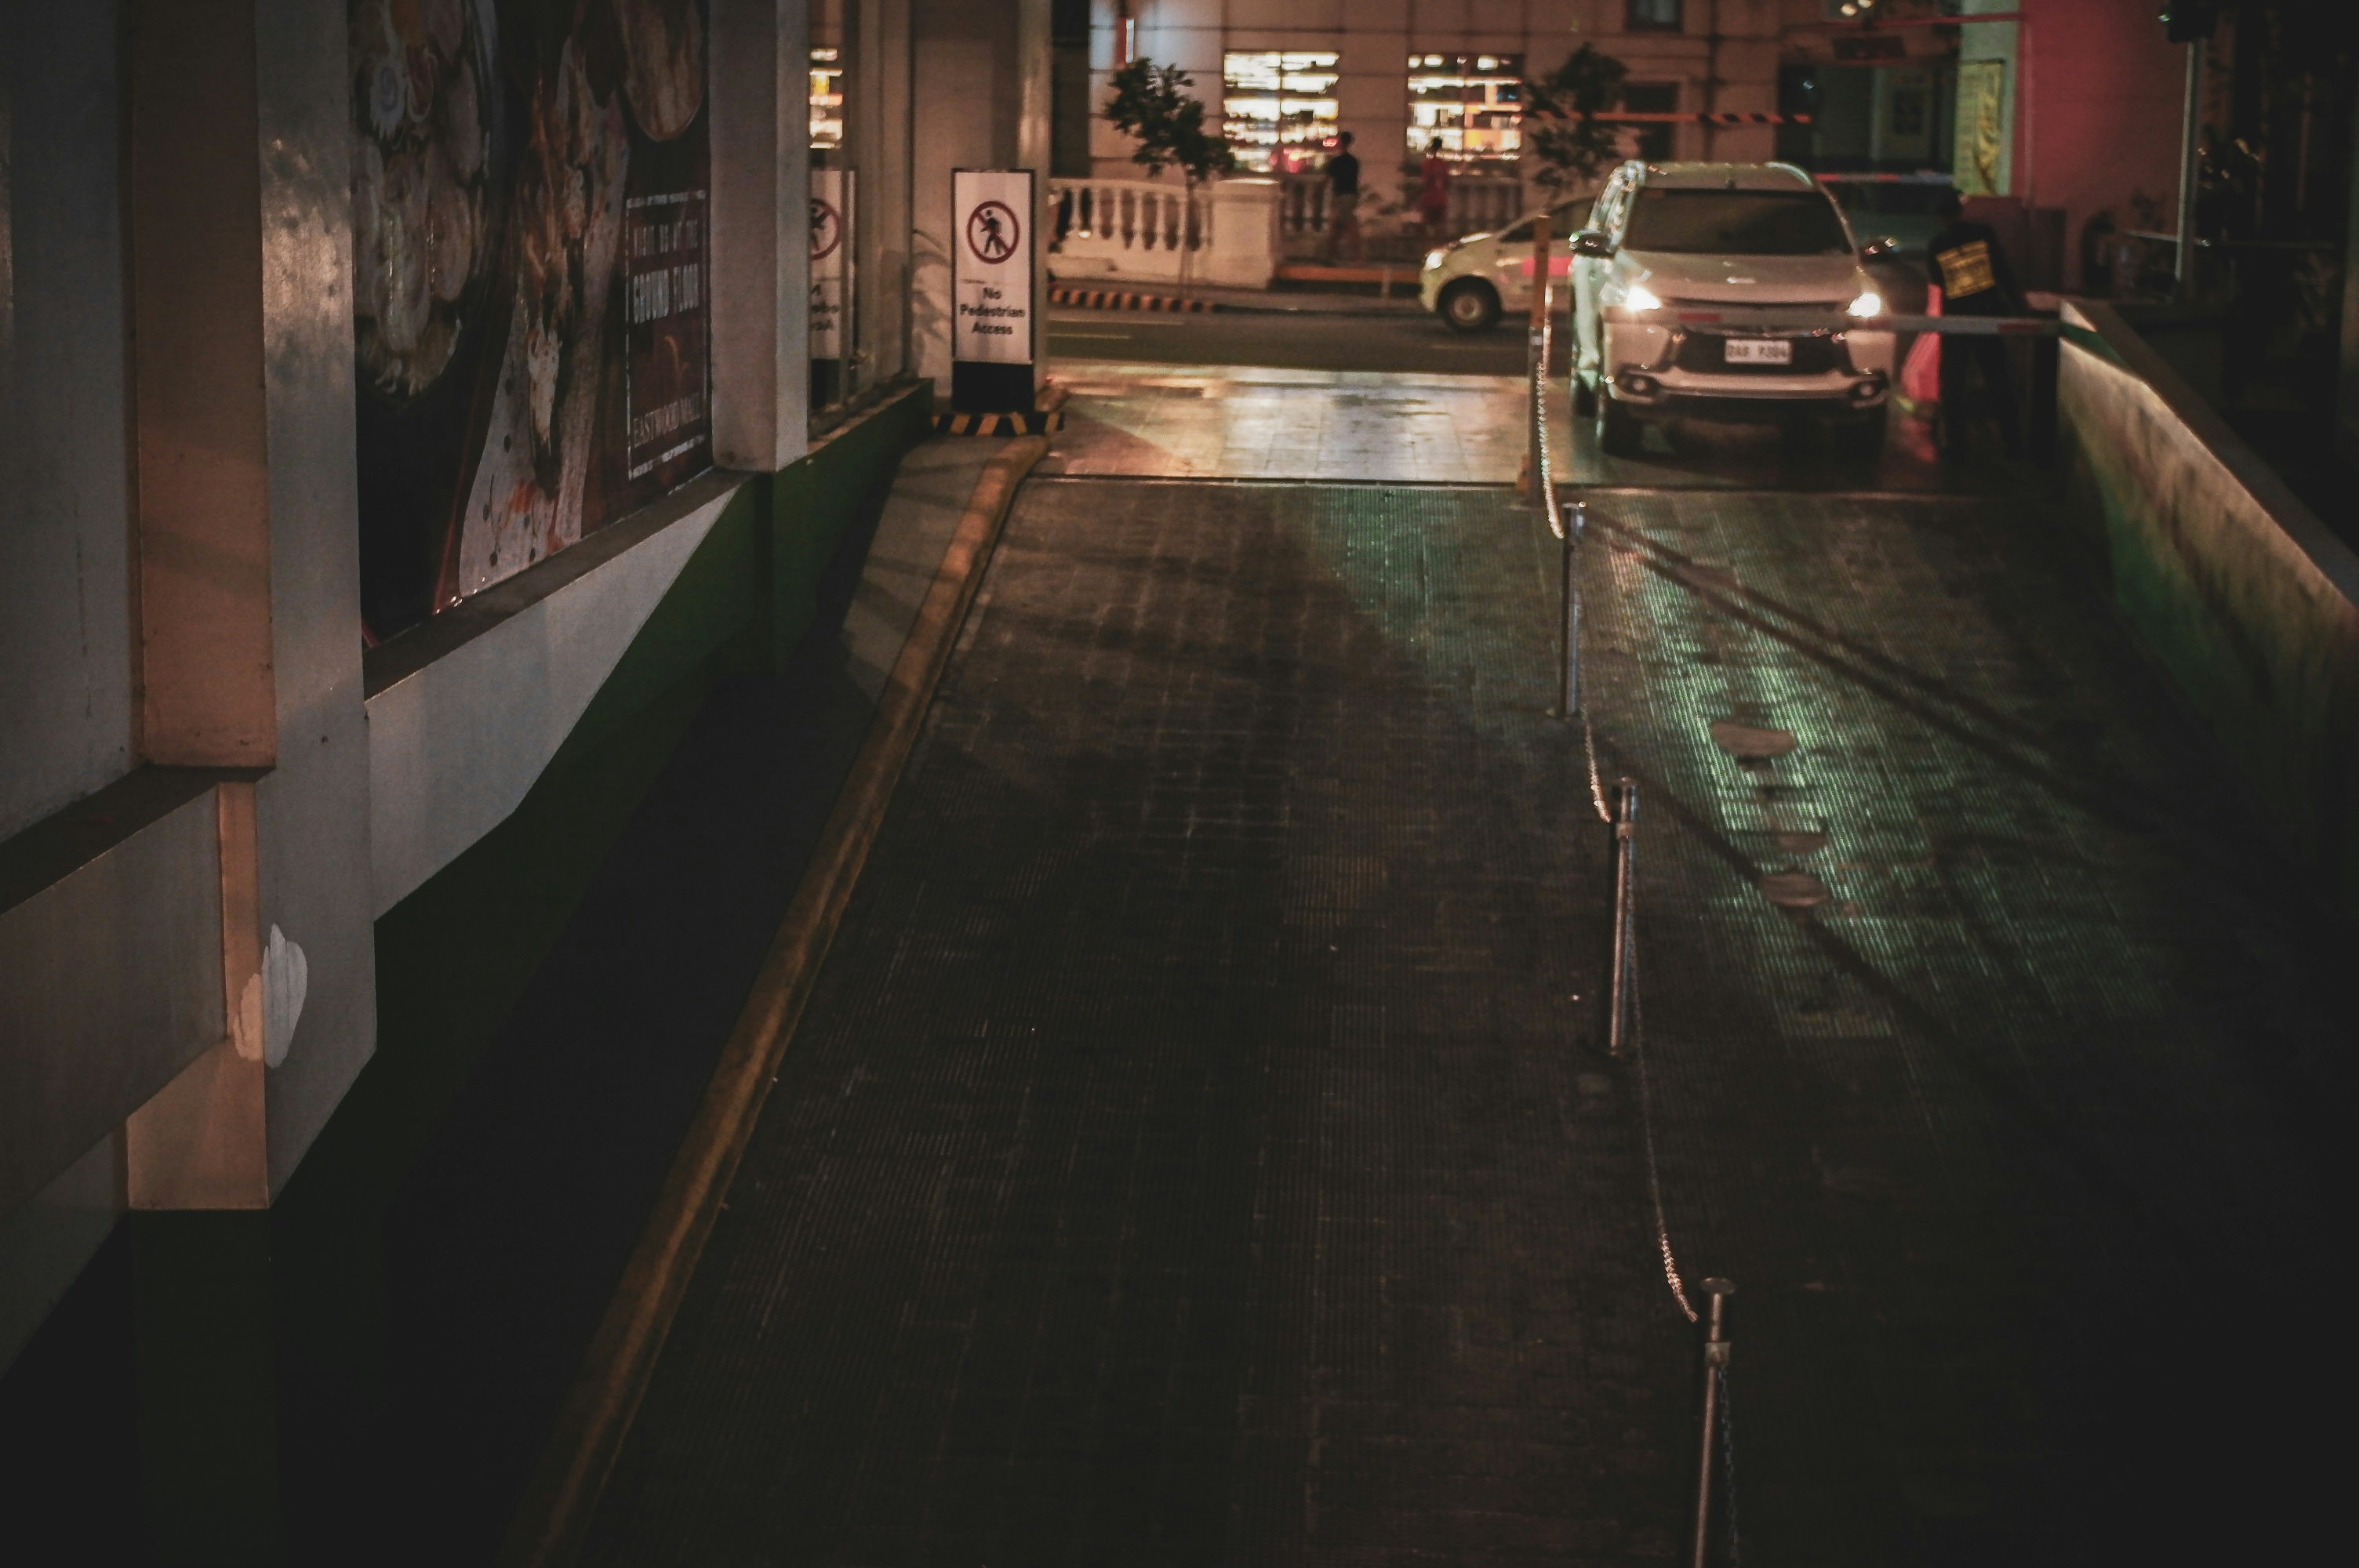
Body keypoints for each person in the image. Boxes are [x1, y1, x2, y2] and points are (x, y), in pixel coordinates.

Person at [1926, 190, 2024, 456]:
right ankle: (2012, 440)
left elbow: (1937, 280)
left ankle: (1956, 444)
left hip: (1957, 319)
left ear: (1940, 217)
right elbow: (2002, 270)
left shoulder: (1937, 245)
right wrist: (2020, 307)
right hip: (1987, 315)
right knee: (1998, 378)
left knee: (1953, 381)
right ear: (1960, 211)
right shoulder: (1983, 234)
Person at [1322, 131, 1363, 262]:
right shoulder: (1354, 161)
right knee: (1337, 226)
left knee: (1348, 226)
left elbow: (1327, 179)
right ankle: (1330, 255)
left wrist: (1318, 192)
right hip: (1351, 196)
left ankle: (1357, 256)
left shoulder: (1337, 161)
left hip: (1342, 196)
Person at [1417, 136, 1452, 237]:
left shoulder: (1428, 164)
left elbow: (1426, 181)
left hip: (1429, 198)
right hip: (1440, 199)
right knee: (1440, 225)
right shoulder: (1443, 164)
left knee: (1427, 224)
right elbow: (1447, 182)